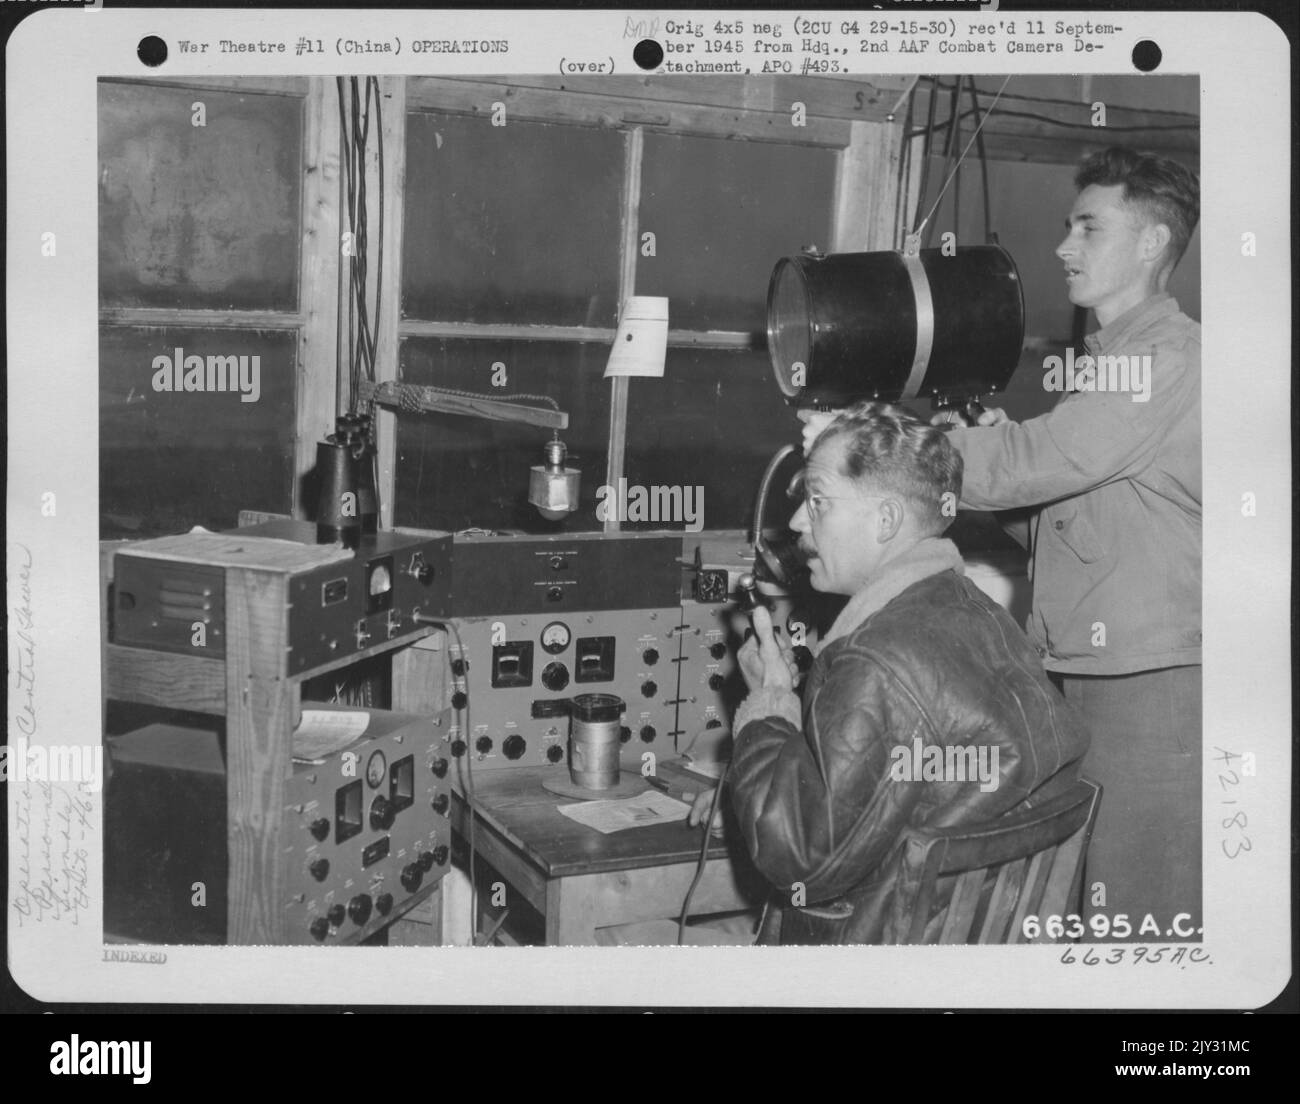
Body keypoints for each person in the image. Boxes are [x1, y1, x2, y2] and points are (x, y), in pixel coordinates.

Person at [692, 403, 1090, 944]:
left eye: (818, 501)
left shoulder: (873, 660)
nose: (796, 522)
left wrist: (768, 705)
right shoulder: (985, 619)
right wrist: (754, 785)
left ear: (885, 520)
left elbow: (801, 862)